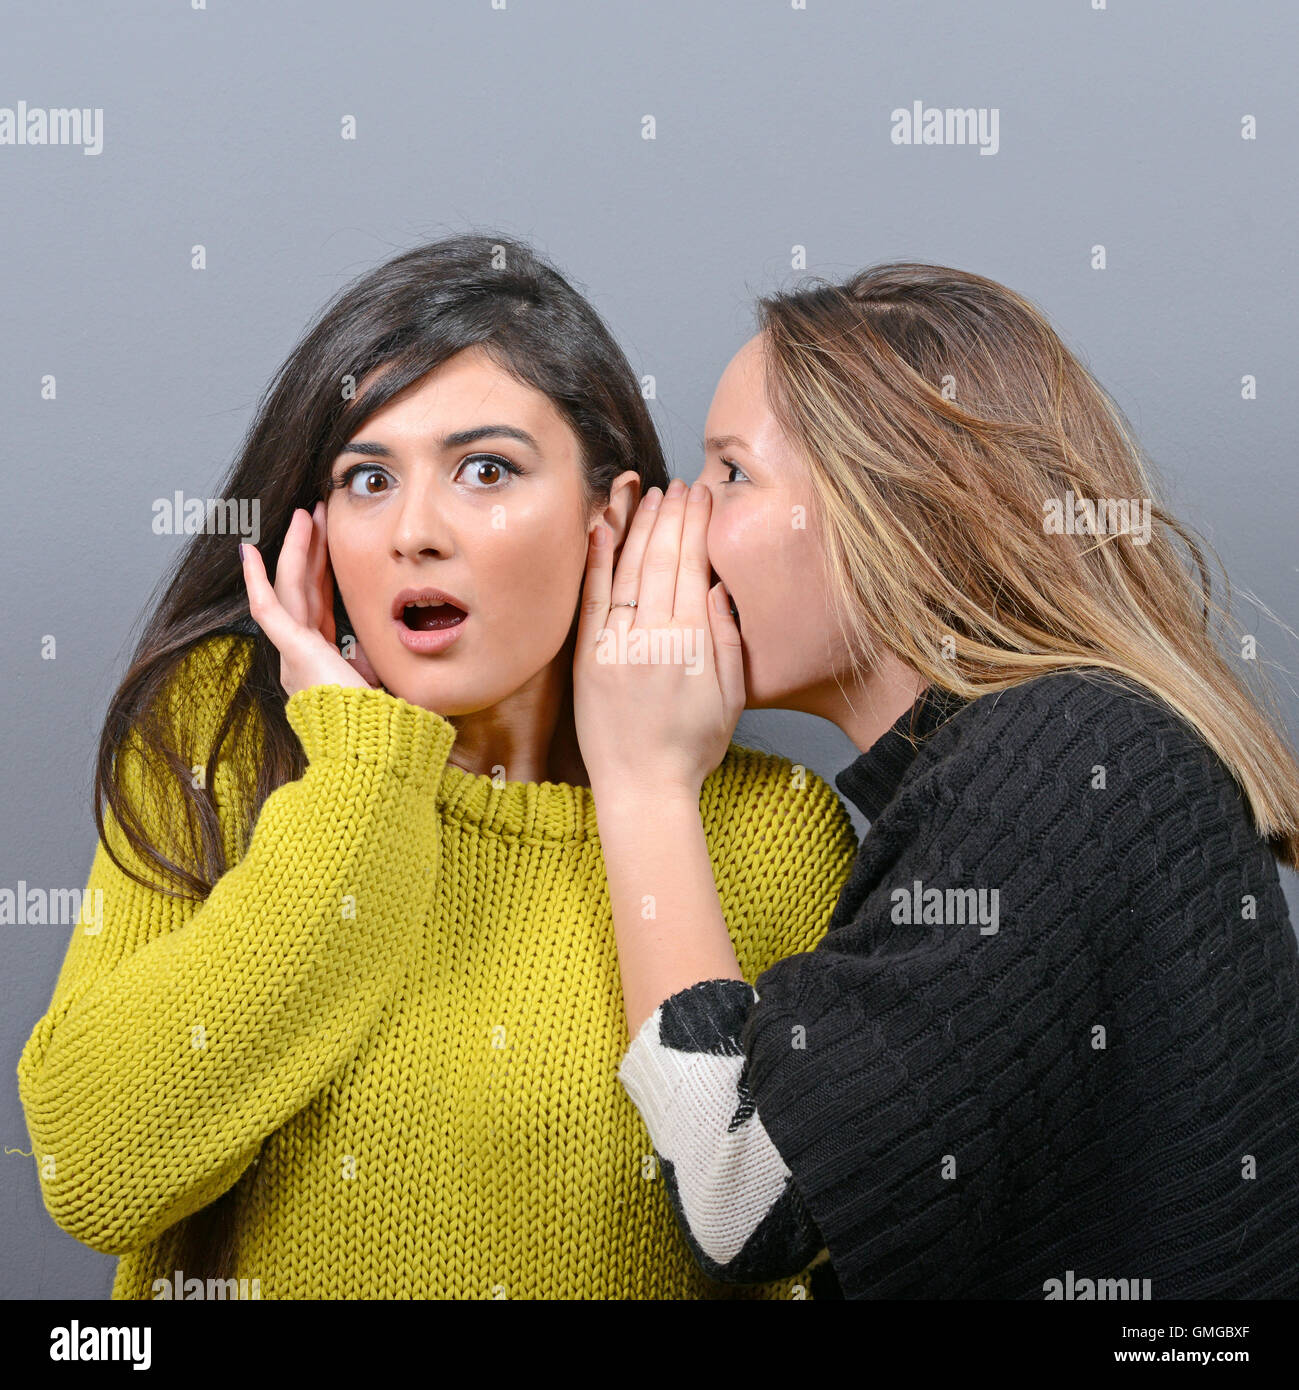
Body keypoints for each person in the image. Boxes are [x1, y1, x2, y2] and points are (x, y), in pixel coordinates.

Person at [16, 234, 857, 1300]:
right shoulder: (217, 744)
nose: (415, 530)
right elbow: (95, 1171)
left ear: (611, 514)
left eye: (486, 469)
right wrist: (366, 772)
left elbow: (784, 1247)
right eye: (368, 479)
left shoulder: (767, 830)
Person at [573, 262, 1299, 1299]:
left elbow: (741, 1197)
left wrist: (640, 775)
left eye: (731, 473)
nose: (684, 519)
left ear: (892, 512)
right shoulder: (1062, 754)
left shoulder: (1058, 771)